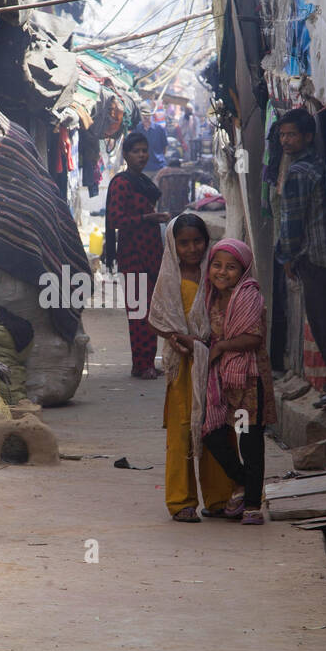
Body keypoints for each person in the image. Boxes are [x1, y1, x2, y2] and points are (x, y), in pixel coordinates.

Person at [148, 215, 236, 522]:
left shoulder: (215, 273)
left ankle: (220, 498)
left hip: (213, 363)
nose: (192, 248)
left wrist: (205, 345)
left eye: (197, 241)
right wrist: (178, 339)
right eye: (183, 243)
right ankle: (180, 501)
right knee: (183, 429)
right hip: (182, 367)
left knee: (216, 426)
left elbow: (228, 313)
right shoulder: (168, 276)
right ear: (173, 245)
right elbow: (159, 318)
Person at [196, 238, 277, 525]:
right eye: (217, 265)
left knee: (250, 442)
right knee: (212, 432)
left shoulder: (248, 295)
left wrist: (220, 348)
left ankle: (253, 504)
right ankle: (242, 483)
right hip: (219, 381)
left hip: (247, 381)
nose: (222, 272)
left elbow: (254, 338)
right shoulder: (209, 296)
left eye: (231, 267)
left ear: (242, 271)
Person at [273, 108, 326, 408]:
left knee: (322, 322)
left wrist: (286, 256)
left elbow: (291, 223)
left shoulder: (299, 172)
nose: (286, 140)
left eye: (292, 135)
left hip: (312, 257)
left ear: (308, 137)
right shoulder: (316, 165)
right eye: (283, 134)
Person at [105, 132, 168, 378]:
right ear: (126, 155)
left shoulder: (141, 180)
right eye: (136, 151)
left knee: (150, 312)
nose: (141, 155)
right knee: (139, 313)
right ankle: (142, 365)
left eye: (144, 150)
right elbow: (115, 220)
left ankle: (146, 363)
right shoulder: (122, 182)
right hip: (133, 257)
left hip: (151, 255)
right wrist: (148, 218)